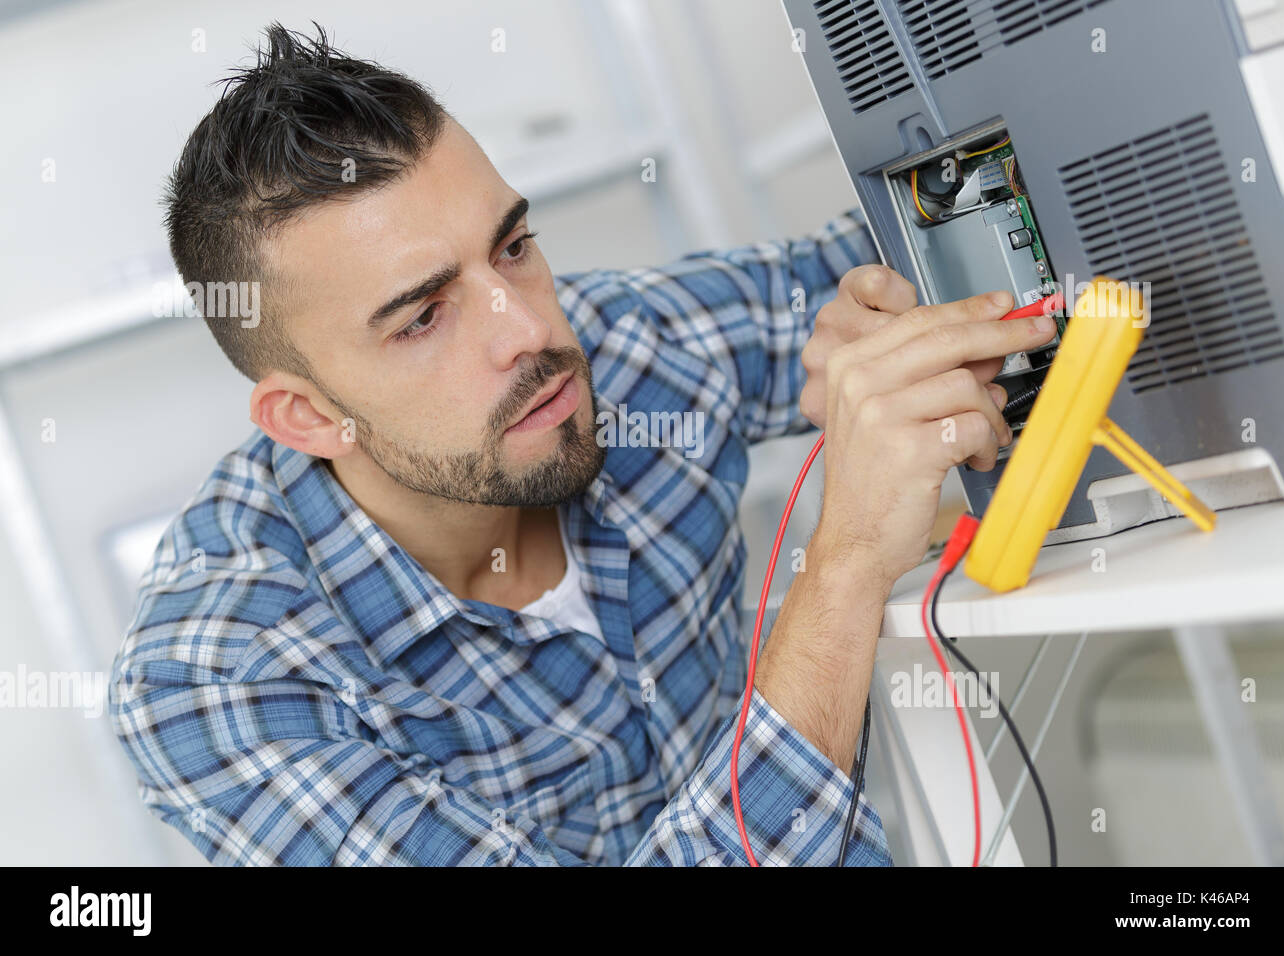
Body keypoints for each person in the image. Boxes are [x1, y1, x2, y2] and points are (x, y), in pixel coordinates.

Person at [108, 22, 1054, 866]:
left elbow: (883, 252)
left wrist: (882, 323)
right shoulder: (217, 683)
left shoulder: (623, 349)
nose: (526, 330)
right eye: (424, 317)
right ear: (309, 420)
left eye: (512, 246)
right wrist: (843, 567)